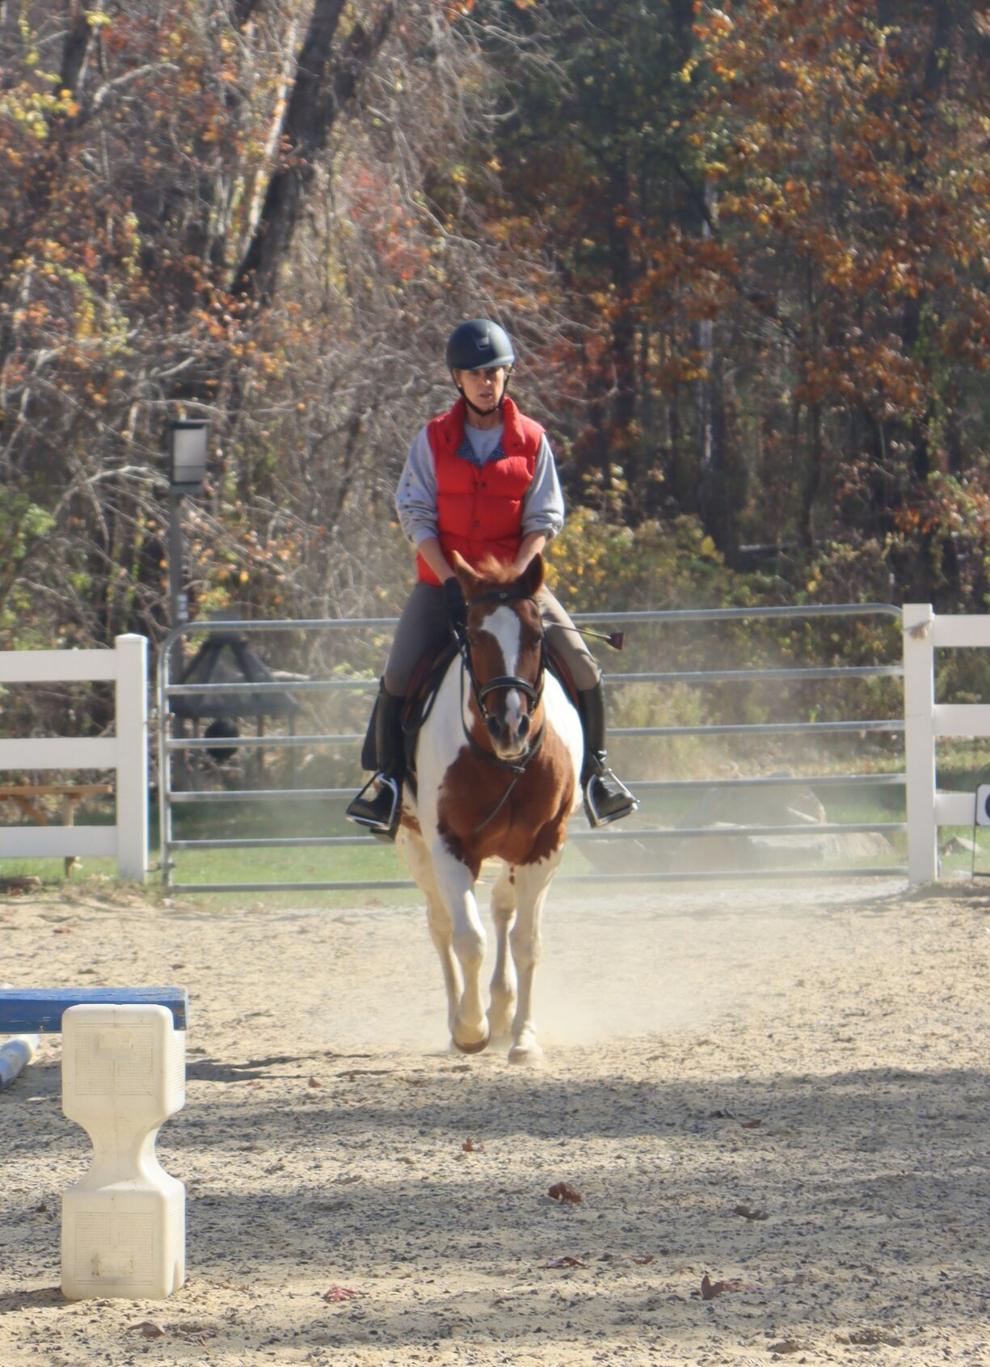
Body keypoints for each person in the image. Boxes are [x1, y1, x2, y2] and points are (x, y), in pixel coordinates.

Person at [345, 318, 638, 839]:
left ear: (507, 376)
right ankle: (387, 785)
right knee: (397, 674)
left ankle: (597, 775)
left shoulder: (532, 440)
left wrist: (522, 574)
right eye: (475, 373)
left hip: (517, 586)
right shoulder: (433, 439)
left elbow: (544, 518)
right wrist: (452, 578)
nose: (486, 381)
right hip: (445, 584)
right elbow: (415, 514)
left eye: (495, 372)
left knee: (585, 667)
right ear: (457, 379)